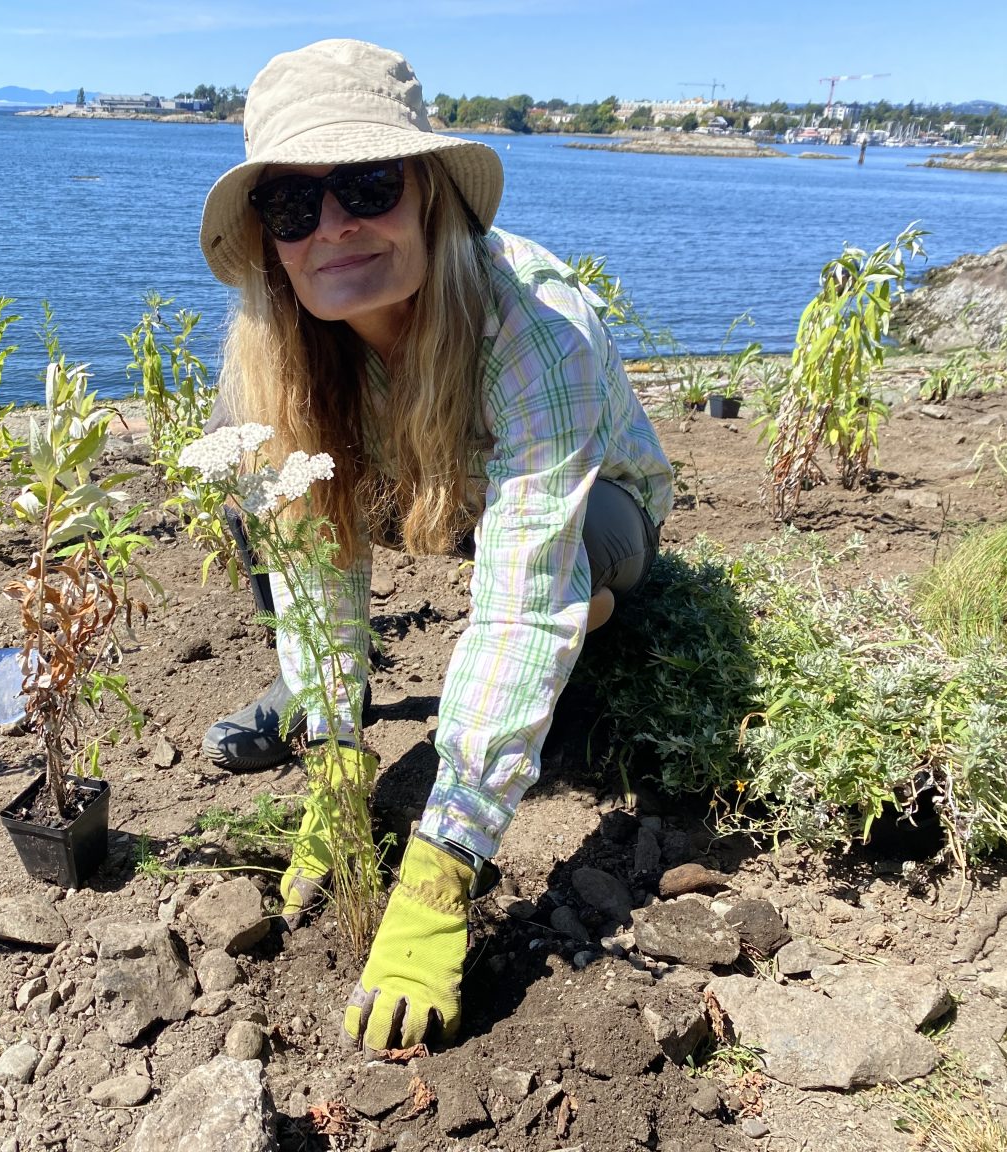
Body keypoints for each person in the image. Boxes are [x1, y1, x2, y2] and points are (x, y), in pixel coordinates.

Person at [195, 39, 674, 1053]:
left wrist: (443, 865)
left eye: (366, 184)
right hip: (429, 490)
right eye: (293, 206)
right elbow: (319, 553)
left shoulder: (539, 322)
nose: (333, 228)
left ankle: (592, 624)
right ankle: (321, 689)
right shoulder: (284, 351)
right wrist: (336, 754)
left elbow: (517, 597)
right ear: (269, 240)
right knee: (279, 497)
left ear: (427, 195)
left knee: (571, 567)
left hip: (594, 509)